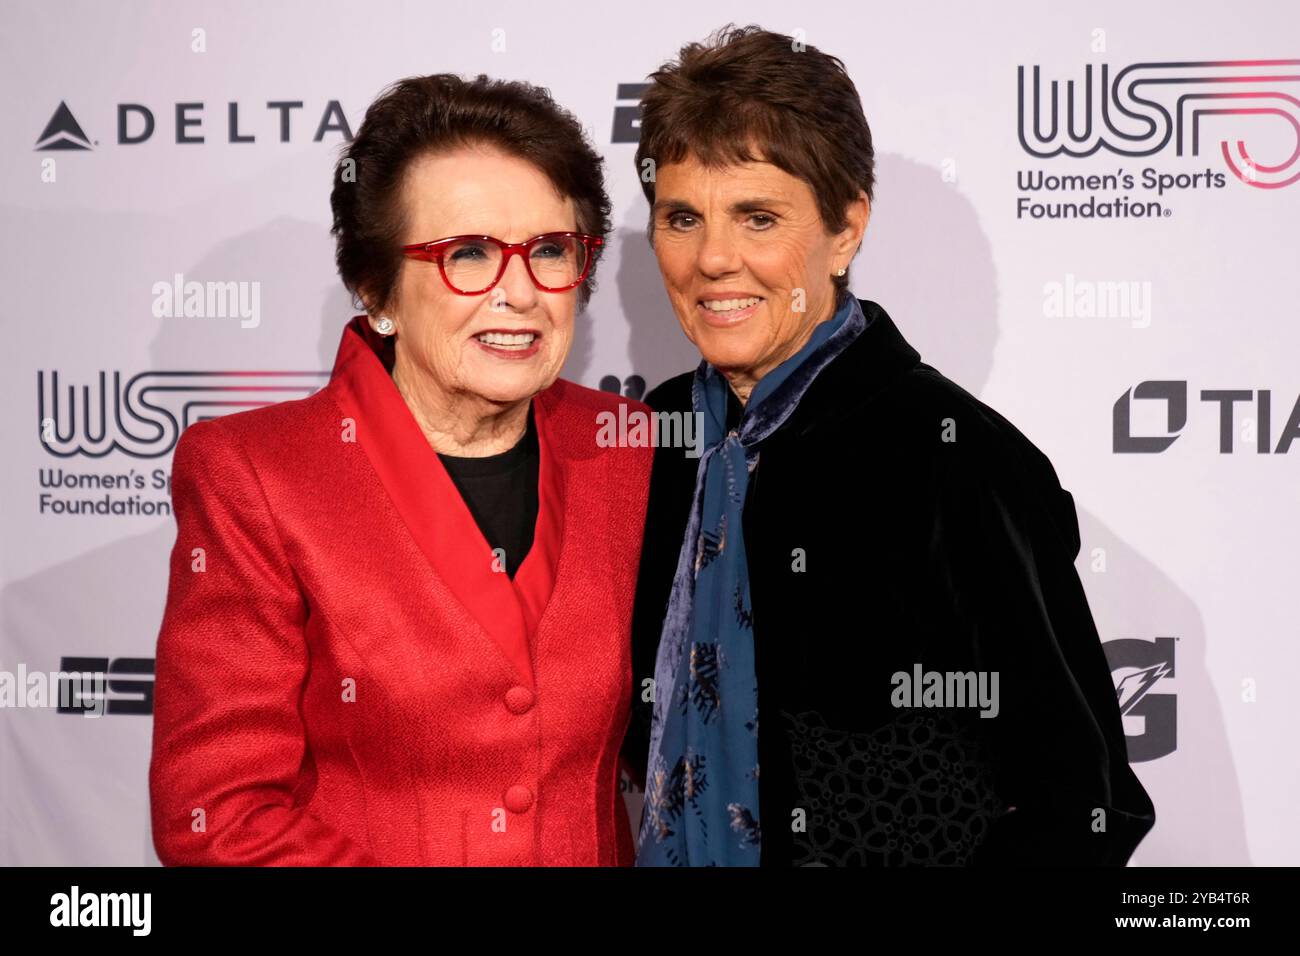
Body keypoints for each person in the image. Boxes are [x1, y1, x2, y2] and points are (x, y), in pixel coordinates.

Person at [623, 25, 1156, 866]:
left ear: (845, 230)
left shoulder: (959, 461)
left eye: (758, 217)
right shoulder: (647, 447)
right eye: (682, 217)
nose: (713, 258)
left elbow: (1083, 802)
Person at [150, 73, 652, 865]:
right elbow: (219, 814)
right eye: (469, 254)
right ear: (375, 286)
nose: (519, 293)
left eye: (550, 250)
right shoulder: (255, 475)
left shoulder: (628, 448)